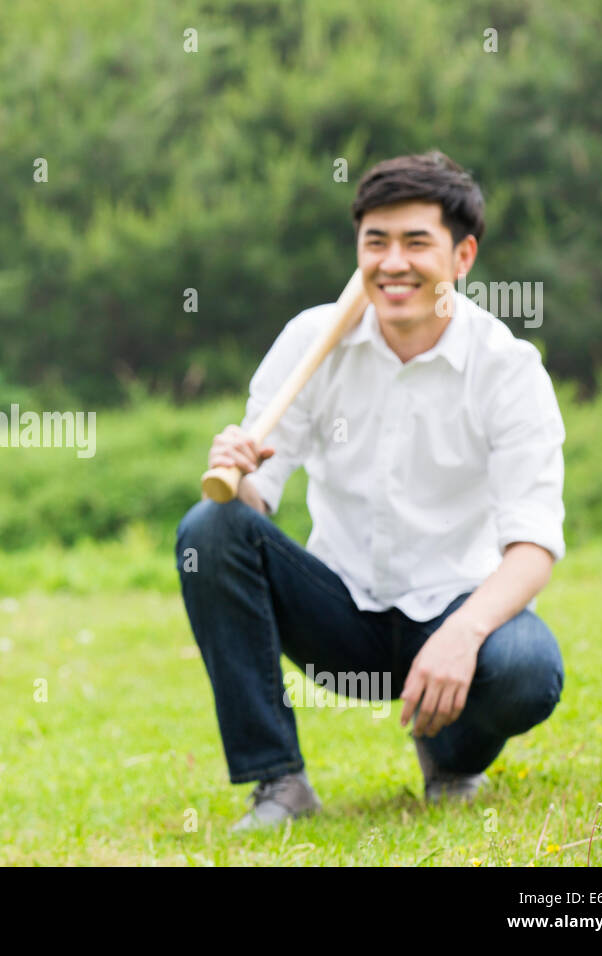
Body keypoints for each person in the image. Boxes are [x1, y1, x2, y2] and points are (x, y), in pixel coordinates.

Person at [177, 151, 566, 832]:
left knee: (529, 666)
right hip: (342, 614)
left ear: (463, 254)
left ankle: (450, 757)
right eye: (375, 242)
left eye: (416, 242)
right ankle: (279, 784)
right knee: (207, 530)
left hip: (454, 612)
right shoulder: (311, 340)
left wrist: (465, 633)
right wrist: (235, 476)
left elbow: (533, 544)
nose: (392, 263)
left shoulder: (507, 368)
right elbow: (251, 509)